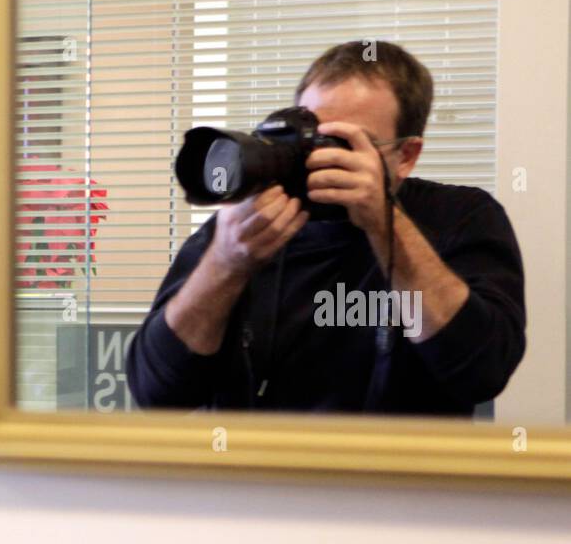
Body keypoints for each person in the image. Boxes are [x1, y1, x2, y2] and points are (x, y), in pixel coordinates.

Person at [127, 41, 525, 415]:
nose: (320, 156)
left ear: (406, 155)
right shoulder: (248, 225)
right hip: (253, 484)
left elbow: (482, 371)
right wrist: (226, 263)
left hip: (401, 486)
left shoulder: (459, 217)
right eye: (310, 137)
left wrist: (384, 225)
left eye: (342, 142)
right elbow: (157, 392)